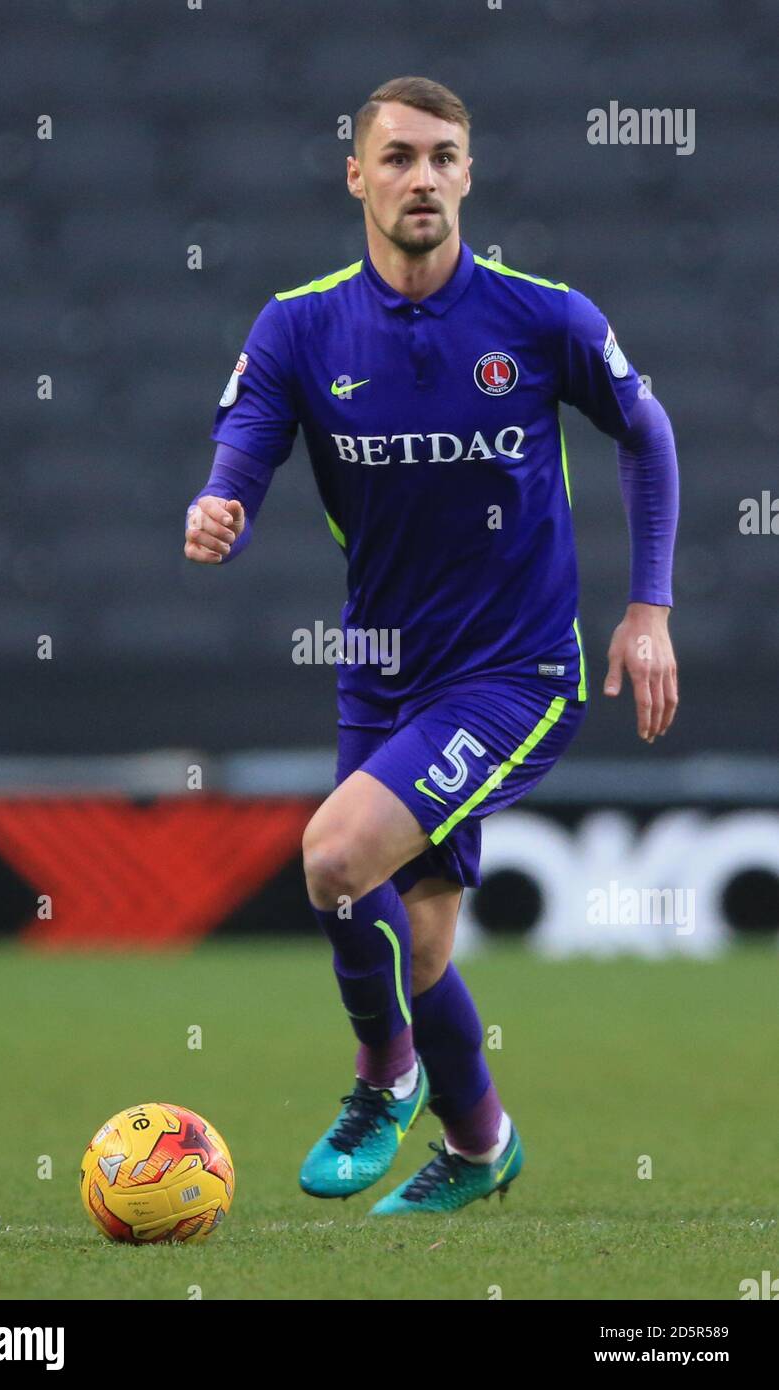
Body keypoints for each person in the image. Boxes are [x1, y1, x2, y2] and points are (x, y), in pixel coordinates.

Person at [184, 75, 679, 1215]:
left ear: (467, 172)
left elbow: (643, 433)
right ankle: (479, 1144)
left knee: (331, 858)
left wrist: (645, 607)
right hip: (382, 672)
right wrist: (221, 505)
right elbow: (246, 445)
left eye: (442, 157)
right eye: (398, 156)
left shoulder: (542, 316)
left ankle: (384, 1073)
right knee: (414, 951)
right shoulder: (300, 323)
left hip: (514, 673)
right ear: (355, 173)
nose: (422, 177)